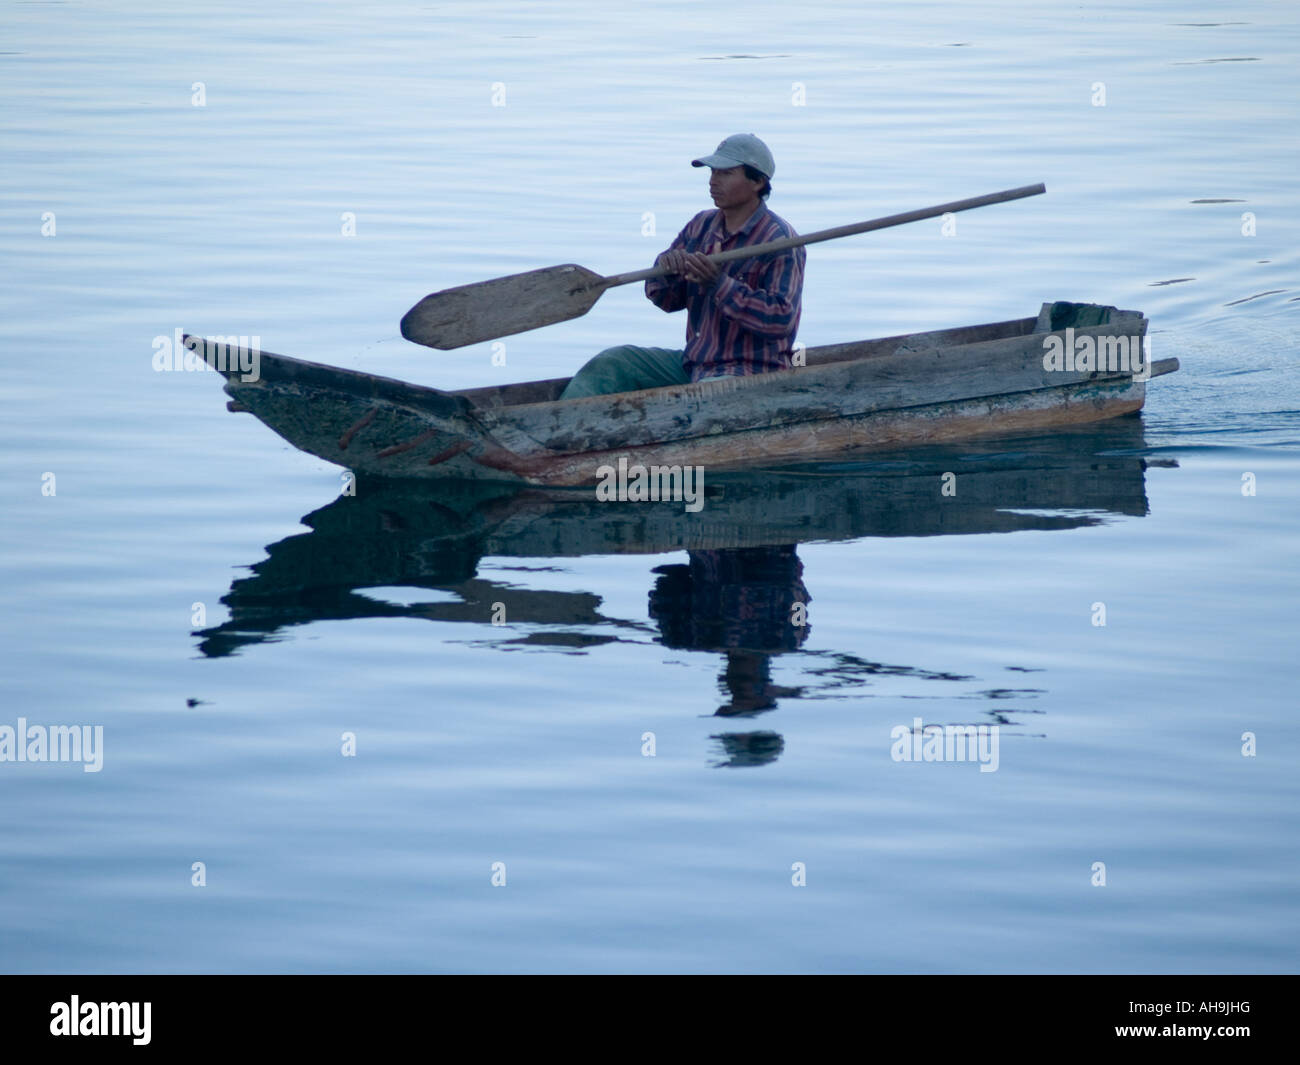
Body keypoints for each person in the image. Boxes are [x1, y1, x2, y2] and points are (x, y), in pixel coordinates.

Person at [560, 134, 805, 399]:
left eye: (726, 173)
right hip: (695, 364)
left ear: (758, 181)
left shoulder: (780, 240)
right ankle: (557, 430)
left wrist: (718, 285)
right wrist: (666, 270)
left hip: (752, 372)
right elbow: (665, 299)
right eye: (712, 172)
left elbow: (780, 320)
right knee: (613, 363)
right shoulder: (701, 226)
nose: (713, 181)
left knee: (706, 396)